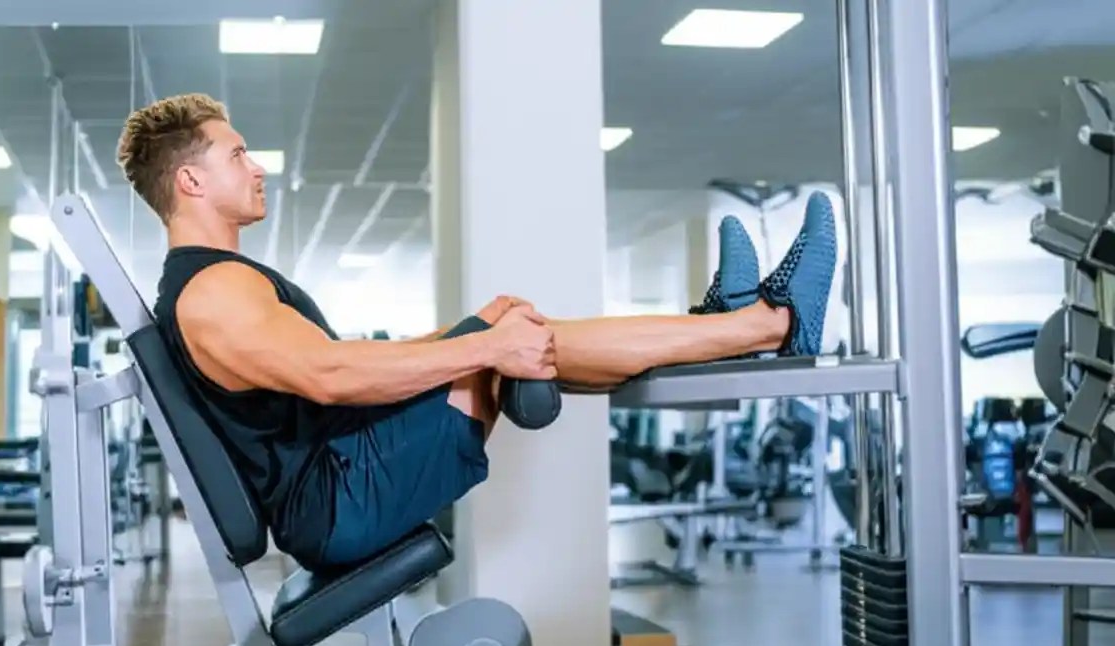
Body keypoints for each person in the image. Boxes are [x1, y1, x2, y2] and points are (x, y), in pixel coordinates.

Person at [117, 93, 838, 568]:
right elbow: (329, 377)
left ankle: (723, 327)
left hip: (343, 471)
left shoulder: (220, 280)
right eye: (237, 153)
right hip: (338, 504)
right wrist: (487, 348)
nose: (258, 166)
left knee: (509, 323)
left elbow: (337, 362)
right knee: (503, 345)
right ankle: (769, 323)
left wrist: (473, 331)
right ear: (190, 181)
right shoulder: (212, 292)